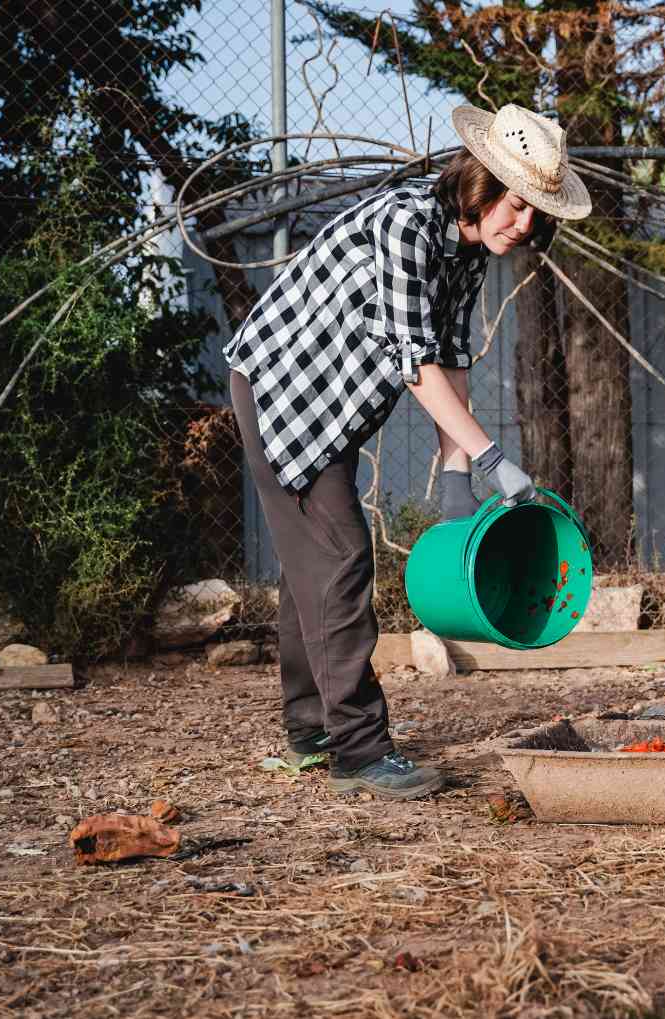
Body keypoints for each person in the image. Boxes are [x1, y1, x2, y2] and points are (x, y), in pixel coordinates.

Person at [225, 103, 591, 800]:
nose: (524, 226)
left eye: (536, 216)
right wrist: (492, 459)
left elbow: (453, 359)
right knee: (340, 555)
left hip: (332, 406)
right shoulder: (405, 226)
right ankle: (358, 751)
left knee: (313, 562)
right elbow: (413, 362)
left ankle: (311, 727)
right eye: (517, 206)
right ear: (481, 184)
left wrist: (458, 479)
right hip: (282, 392)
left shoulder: (468, 251)